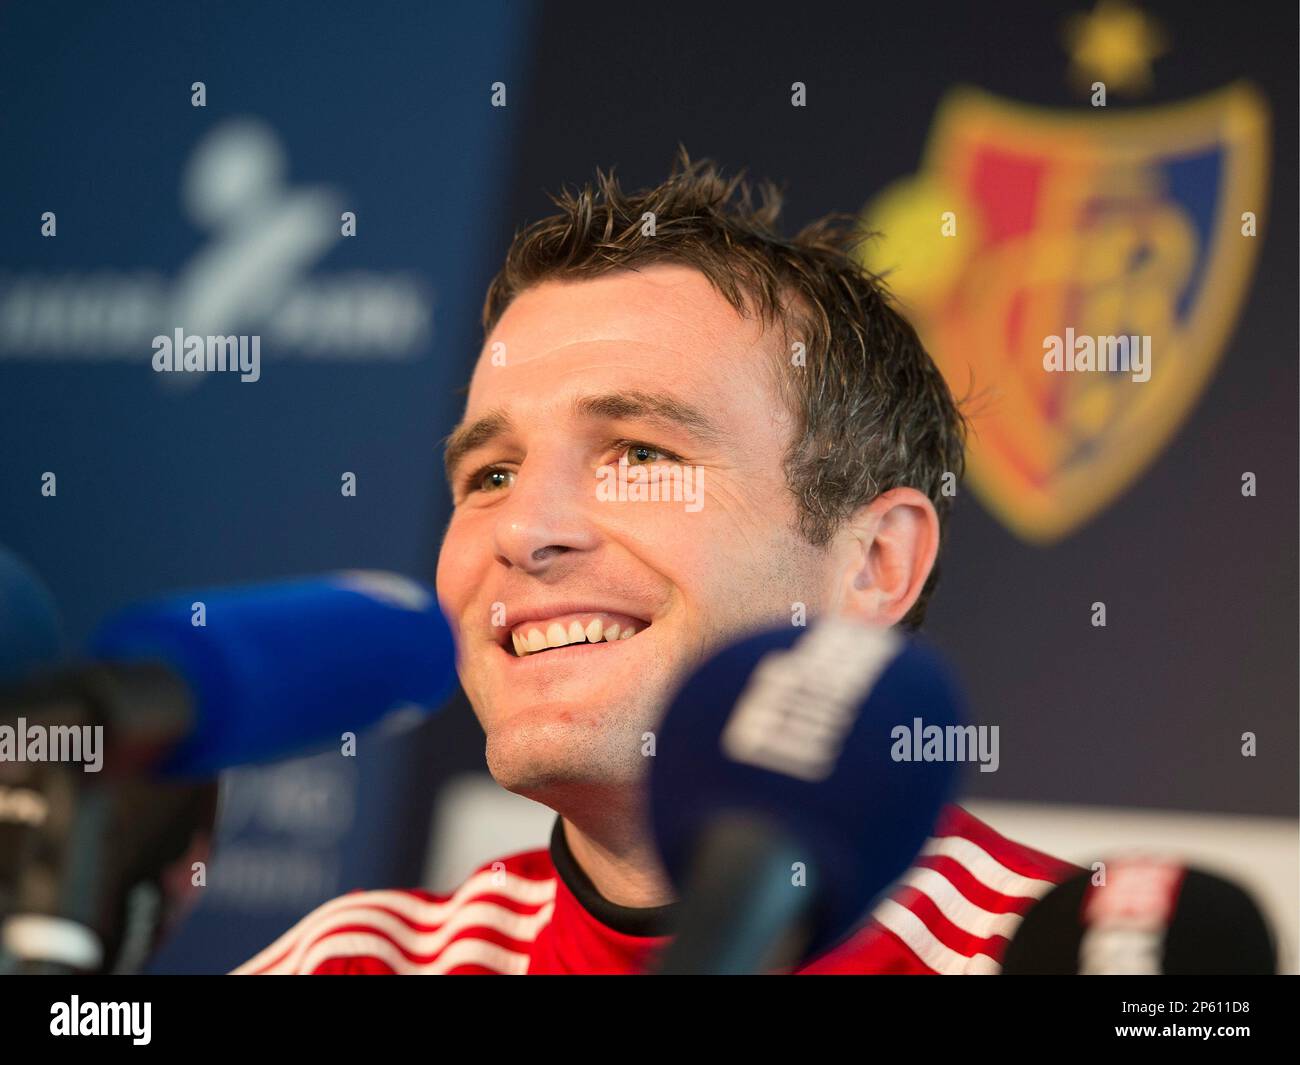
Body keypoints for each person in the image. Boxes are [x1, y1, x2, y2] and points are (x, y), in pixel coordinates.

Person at [235, 151, 1076, 975]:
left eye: (638, 454)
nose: (523, 529)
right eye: (491, 474)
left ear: (876, 563)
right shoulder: (354, 962)